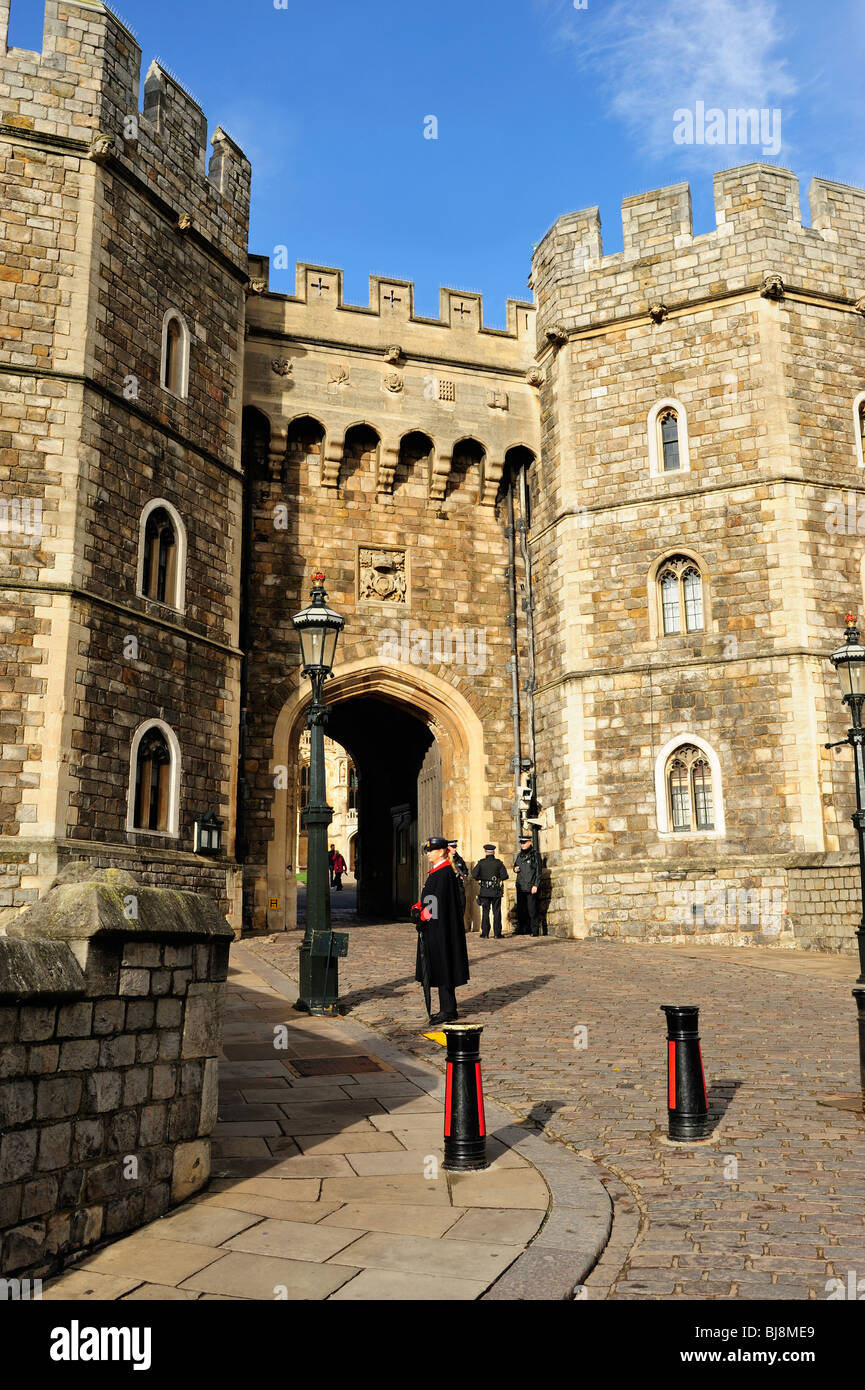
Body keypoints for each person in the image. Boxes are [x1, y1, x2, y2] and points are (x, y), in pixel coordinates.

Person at [411, 836, 469, 1024]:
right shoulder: (438, 872)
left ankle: (448, 1009)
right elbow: (431, 897)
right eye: (427, 851)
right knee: (442, 965)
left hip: (440, 928)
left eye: (432, 850)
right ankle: (448, 1008)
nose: (428, 853)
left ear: (442, 851)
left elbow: (435, 903)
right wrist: (418, 906)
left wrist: (421, 917)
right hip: (437, 927)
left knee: (444, 966)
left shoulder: (443, 872)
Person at [471, 843, 509, 939]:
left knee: (485, 912)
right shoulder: (498, 863)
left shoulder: (481, 863)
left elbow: (474, 875)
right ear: (493, 852)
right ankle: (497, 933)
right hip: (496, 891)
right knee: (496, 912)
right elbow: (505, 876)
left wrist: (482, 878)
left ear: (486, 852)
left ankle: (485, 933)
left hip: (485, 891)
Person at [514, 833, 542, 936]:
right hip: (521, 885)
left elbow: (539, 872)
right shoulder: (519, 855)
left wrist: (536, 885)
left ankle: (534, 930)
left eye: (524, 843)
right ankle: (523, 929)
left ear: (530, 842)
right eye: (521, 843)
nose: (522, 845)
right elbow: (515, 866)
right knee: (521, 909)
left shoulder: (535, 855)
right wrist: (515, 869)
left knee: (532, 909)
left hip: (531, 885)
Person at [448, 839, 468, 923]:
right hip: (450, 887)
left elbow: (465, 869)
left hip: (459, 886)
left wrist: (464, 875)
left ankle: (459, 925)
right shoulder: (445, 859)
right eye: (453, 848)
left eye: (455, 847)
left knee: (462, 904)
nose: (455, 849)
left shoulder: (459, 859)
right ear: (448, 848)